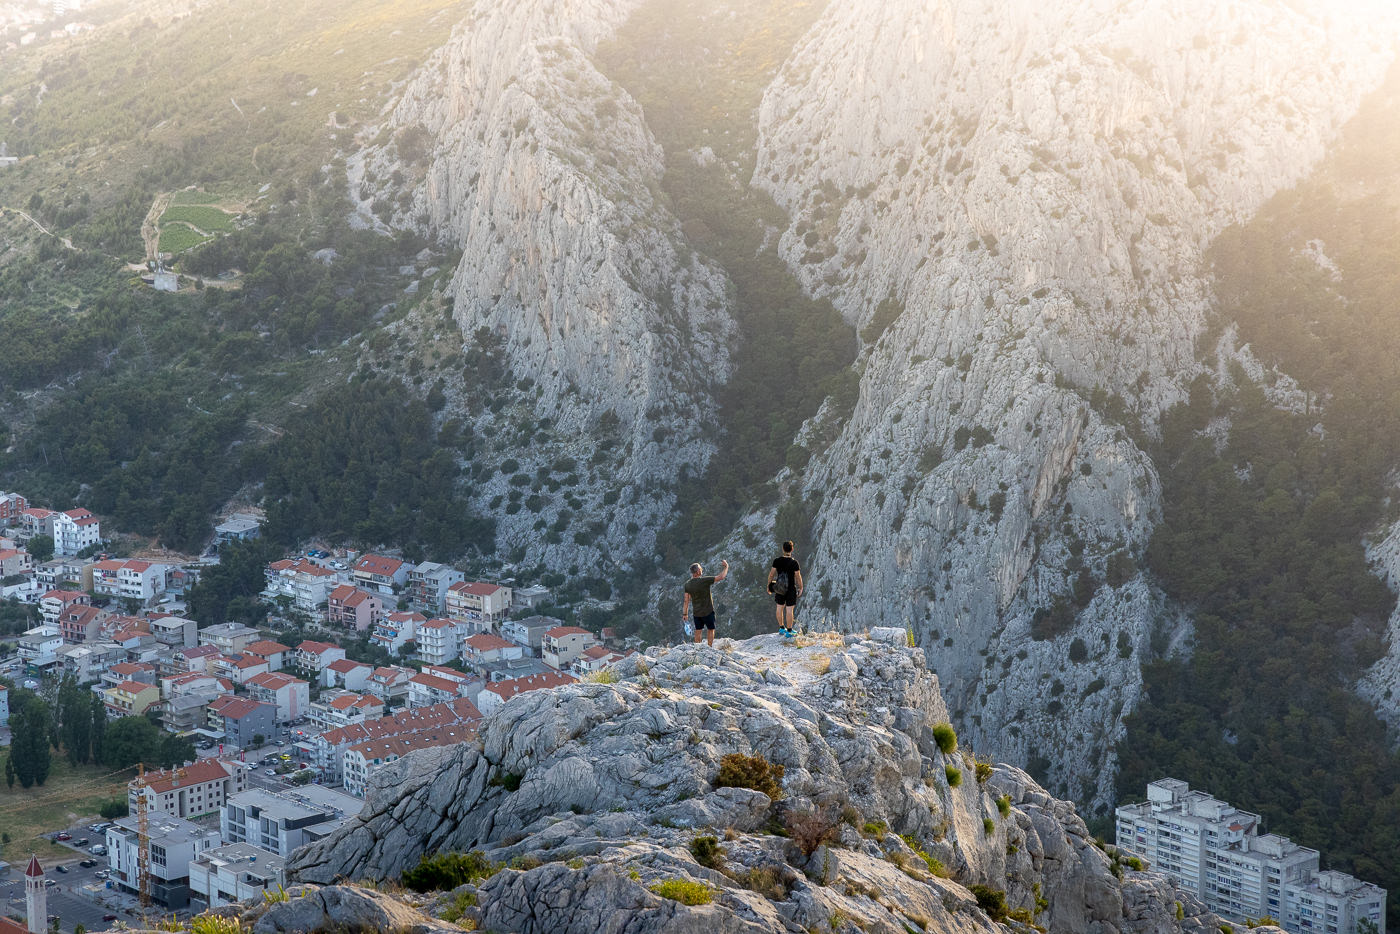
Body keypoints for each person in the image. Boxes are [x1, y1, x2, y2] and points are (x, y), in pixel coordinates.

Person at [682, 559, 728, 646]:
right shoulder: (704, 580)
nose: (701, 569)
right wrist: (726, 567)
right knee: (711, 629)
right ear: (698, 571)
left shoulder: (687, 584)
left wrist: (685, 614)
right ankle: (709, 647)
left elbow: (686, 601)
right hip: (708, 611)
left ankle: (697, 648)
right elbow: (721, 577)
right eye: (700, 568)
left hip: (697, 612)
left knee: (698, 630)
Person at [767, 540, 803, 637]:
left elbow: (771, 574)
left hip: (780, 588)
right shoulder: (794, 563)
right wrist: (801, 588)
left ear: (783, 549)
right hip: (791, 589)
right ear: (792, 549)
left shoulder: (777, 561)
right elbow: (798, 576)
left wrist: (769, 586)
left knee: (779, 608)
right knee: (789, 610)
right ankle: (789, 631)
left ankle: (781, 628)